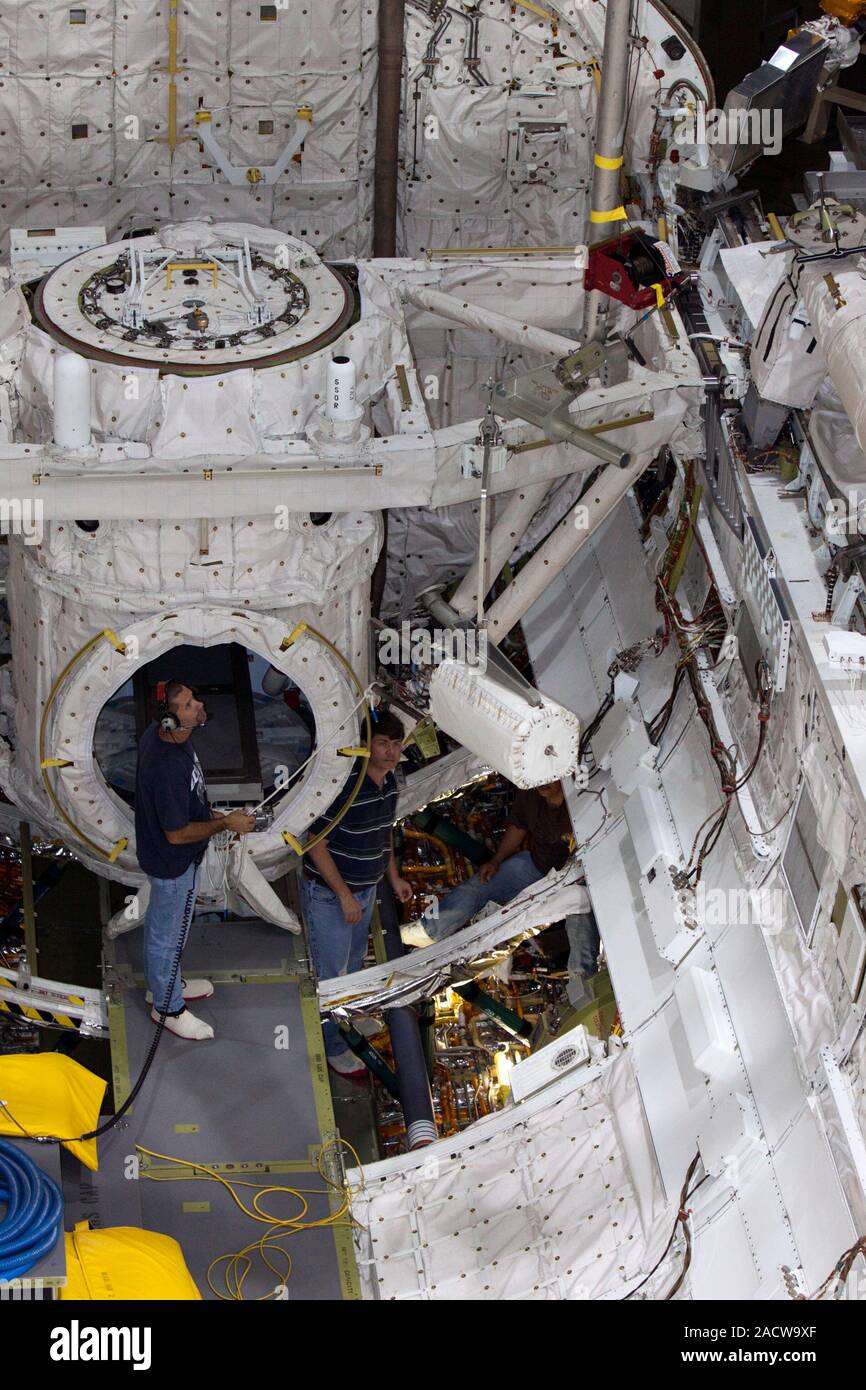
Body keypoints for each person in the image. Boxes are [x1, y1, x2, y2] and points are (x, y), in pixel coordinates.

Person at [135, 679, 255, 1040]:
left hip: (179, 860)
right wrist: (225, 824)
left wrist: (218, 817)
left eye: (193, 699)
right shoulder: (167, 767)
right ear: (171, 721)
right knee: (167, 936)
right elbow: (175, 833)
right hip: (173, 865)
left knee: (169, 931)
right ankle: (168, 1009)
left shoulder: (171, 740)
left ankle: (163, 986)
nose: (198, 705)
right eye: (189, 705)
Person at [299, 709, 413, 1079]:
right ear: (365, 747)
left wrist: (391, 878)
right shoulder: (345, 789)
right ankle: (332, 1044)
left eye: (395, 745)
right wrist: (345, 896)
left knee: (350, 966)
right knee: (332, 980)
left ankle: (350, 1019)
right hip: (332, 899)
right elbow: (315, 844)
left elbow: (385, 832)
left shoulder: (390, 783)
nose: (390, 752)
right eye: (382, 744)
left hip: (363, 893)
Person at [400, 780, 580, 947]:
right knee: (481, 884)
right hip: (537, 864)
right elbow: (518, 826)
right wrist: (496, 861)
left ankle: (583, 971)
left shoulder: (580, 795)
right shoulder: (530, 791)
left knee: (580, 917)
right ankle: (427, 931)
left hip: (575, 875)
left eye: (548, 778)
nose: (542, 783)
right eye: (538, 778)